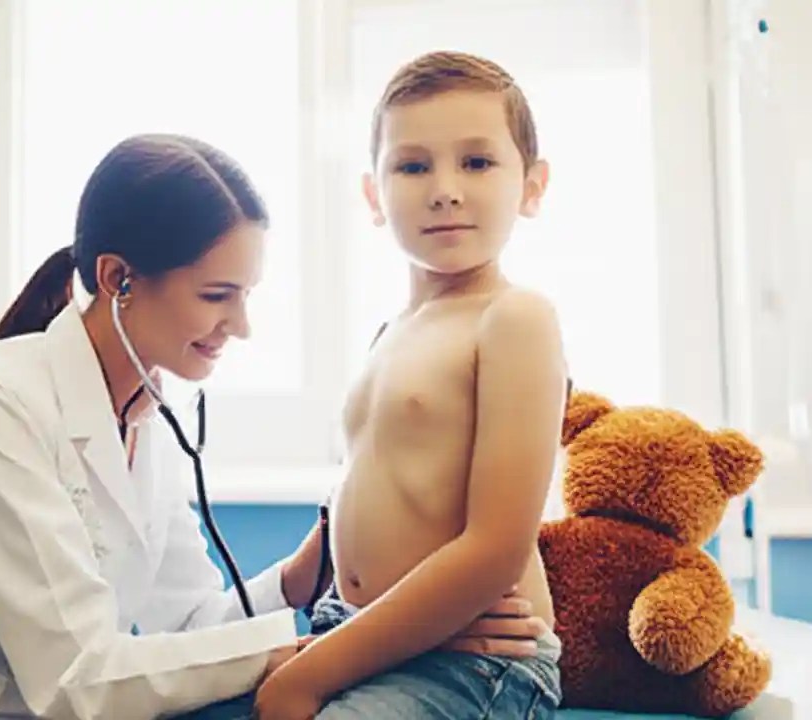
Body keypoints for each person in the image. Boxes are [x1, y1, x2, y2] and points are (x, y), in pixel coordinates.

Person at [0, 133, 547, 720]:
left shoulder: (148, 411)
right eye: (217, 296)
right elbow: (79, 678)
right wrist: (335, 652)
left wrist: (301, 581)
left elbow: (187, 627)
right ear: (118, 279)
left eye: (247, 295)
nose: (240, 325)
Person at [196, 51, 571, 719]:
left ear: (532, 187)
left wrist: (309, 677)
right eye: (413, 165)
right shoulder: (390, 333)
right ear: (374, 194)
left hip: (474, 661)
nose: (444, 189)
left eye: (477, 162)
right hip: (360, 628)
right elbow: (383, 490)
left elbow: (494, 551)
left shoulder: (515, 318)